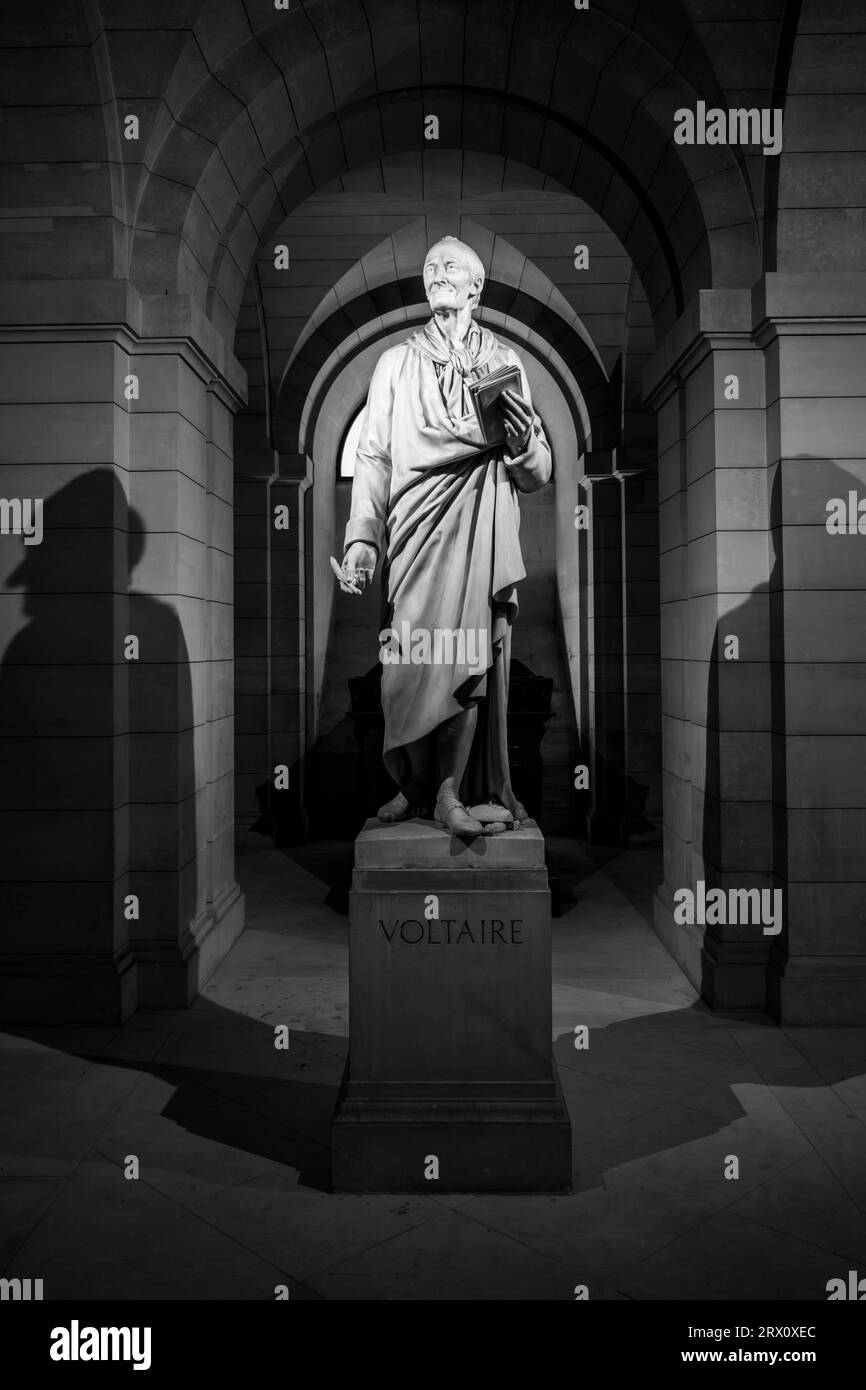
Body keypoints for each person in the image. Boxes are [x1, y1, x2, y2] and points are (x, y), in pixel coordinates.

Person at [336, 236, 551, 837]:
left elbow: (538, 472)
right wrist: (361, 538)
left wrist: (521, 442)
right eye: (430, 267)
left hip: (476, 527)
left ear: (476, 287)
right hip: (413, 533)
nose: (437, 274)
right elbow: (374, 454)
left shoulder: (505, 364)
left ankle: (451, 790)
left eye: (450, 267)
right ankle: (413, 785)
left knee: (466, 661)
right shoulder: (395, 364)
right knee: (408, 663)